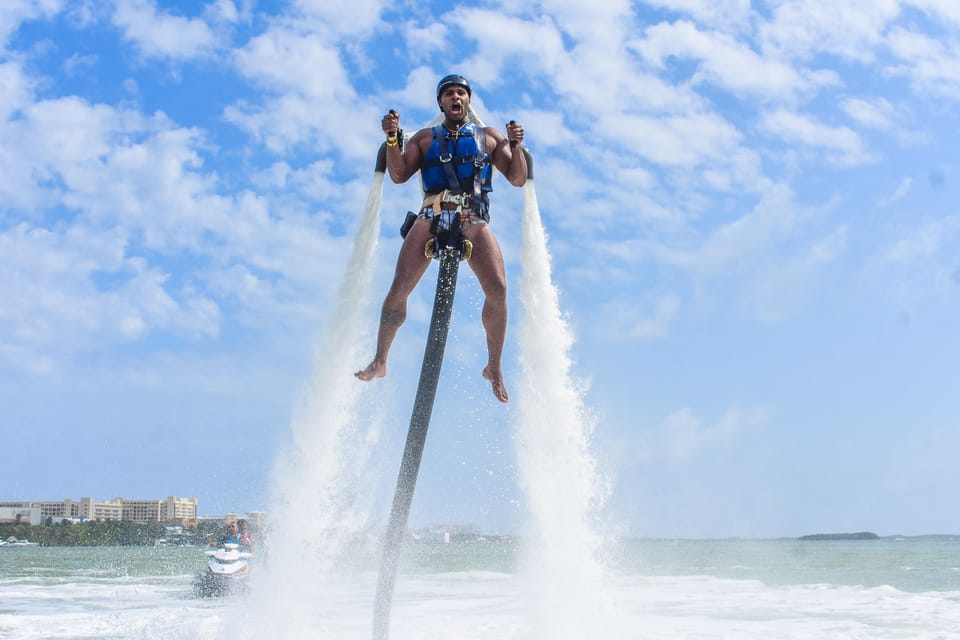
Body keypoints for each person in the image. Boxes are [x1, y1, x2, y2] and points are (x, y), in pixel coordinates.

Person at [355, 74, 527, 403]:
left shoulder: (489, 137)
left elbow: (517, 178)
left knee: (499, 289)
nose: (455, 98)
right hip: (432, 213)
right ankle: (380, 360)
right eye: (449, 94)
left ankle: (494, 365)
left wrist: (515, 145)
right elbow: (399, 174)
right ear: (441, 103)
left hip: (472, 217)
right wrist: (393, 139)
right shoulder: (423, 139)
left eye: (461, 93)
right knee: (399, 287)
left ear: (468, 100)